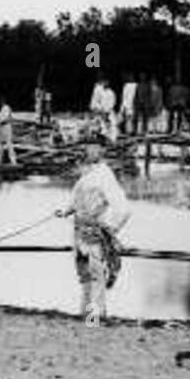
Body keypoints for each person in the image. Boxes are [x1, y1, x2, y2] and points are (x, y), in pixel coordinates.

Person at [56, 135, 131, 320]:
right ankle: (86, 316)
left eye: (94, 147)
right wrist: (66, 210)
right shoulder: (87, 173)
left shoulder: (105, 176)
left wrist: (109, 230)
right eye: (87, 146)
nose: (89, 150)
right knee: (84, 277)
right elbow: (78, 198)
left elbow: (124, 209)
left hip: (94, 234)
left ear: (102, 151)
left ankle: (95, 319)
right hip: (79, 231)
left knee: (97, 277)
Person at [0, 96, 18, 164]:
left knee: (9, 145)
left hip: (7, 128)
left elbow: (5, 118)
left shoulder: (6, 108)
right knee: (0, 145)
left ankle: (13, 161)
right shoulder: (2, 108)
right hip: (2, 128)